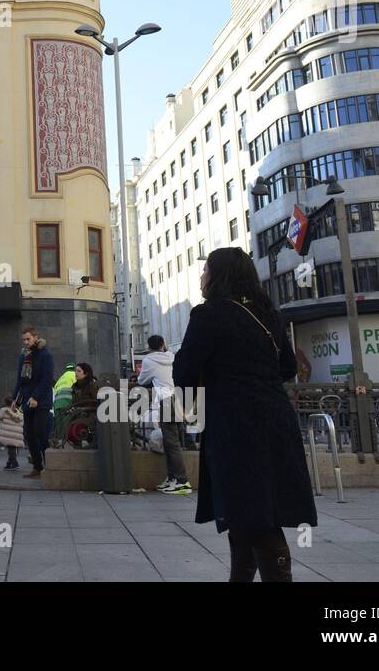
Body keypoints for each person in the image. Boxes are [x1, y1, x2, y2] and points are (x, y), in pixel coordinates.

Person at [173, 247, 318, 582]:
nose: (202, 275)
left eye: (206, 268)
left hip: (235, 425)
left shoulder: (209, 314)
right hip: (276, 420)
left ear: (218, 274)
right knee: (250, 514)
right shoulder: (268, 312)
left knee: (253, 515)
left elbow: (184, 373)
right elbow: (288, 367)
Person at [139, 335, 192, 495]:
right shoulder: (172, 356)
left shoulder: (149, 360)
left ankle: (182, 481)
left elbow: (142, 380)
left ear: (149, 347)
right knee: (173, 441)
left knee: (171, 442)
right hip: (181, 397)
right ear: (163, 344)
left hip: (167, 399)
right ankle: (172, 478)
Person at [13, 325, 55, 478]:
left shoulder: (45, 355)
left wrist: (36, 397)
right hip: (27, 399)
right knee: (29, 434)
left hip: (41, 400)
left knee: (39, 431)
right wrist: (15, 399)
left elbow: (47, 380)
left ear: (36, 337)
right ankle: (37, 467)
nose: (25, 342)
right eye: (23, 339)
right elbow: (20, 380)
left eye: (28, 339)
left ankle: (49, 464)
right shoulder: (23, 357)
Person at [0, 397, 25, 470]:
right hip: (16, 434)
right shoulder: (17, 412)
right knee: (13, 448)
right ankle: (9, 464)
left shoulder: (4, 410)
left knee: (11, 449)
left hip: (8, 434)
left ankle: (15, 463)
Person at [66, 364, 100, 448]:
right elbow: (74, 402)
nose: (76, 373)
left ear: (85, 374)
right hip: (78, 417)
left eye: (79, 371)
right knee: (71, 434)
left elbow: (97, 402)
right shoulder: (74, 387)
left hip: (90, 416)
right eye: (75, 371)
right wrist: (72, 409)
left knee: (76, 433)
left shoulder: (92, 386)